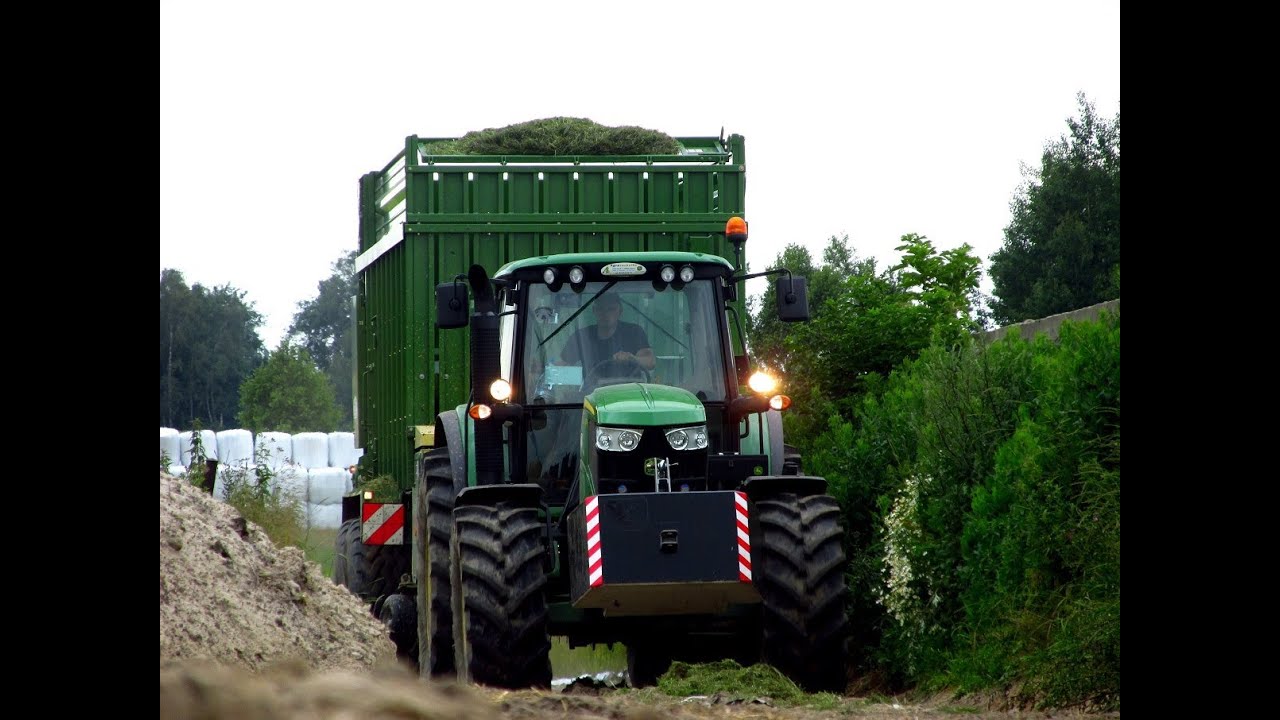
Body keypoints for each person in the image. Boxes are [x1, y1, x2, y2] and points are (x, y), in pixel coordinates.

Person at [558, 292, 655, 373]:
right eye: (600, 309)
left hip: (629, 392)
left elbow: (650, 362)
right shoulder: (581, 336)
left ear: (620, 311)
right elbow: (562, 365)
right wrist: (546, 370)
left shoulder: (634, 332)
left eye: (611, 309)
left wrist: (632, 358)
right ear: (594, 311)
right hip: (591, 393)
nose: (605, 314)